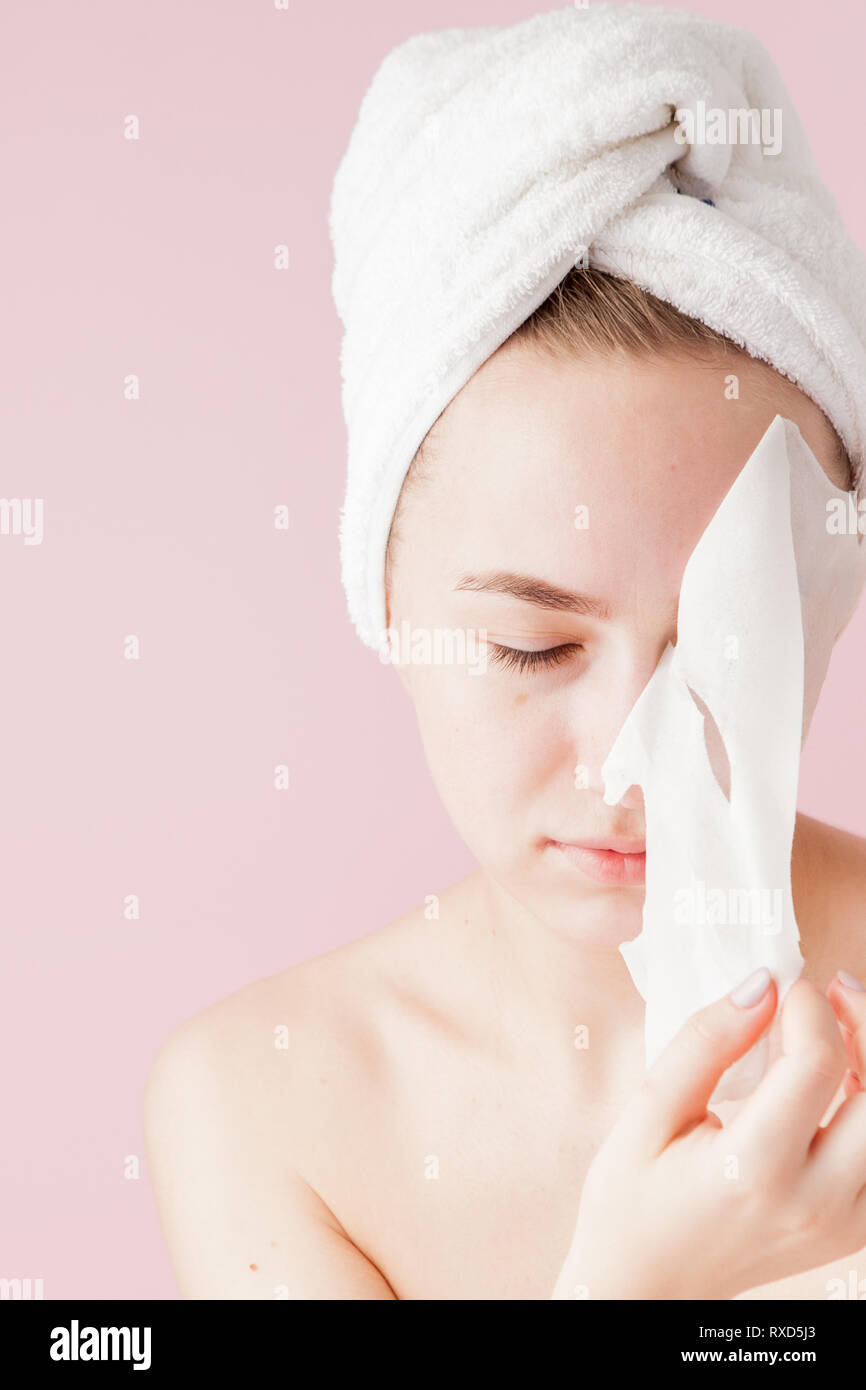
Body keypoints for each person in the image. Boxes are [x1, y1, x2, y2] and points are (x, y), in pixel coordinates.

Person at [144, 7, 866, 1300]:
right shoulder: (267, 1103)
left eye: (727, 647)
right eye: (532, 645)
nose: (624, 769)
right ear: (382, 592)